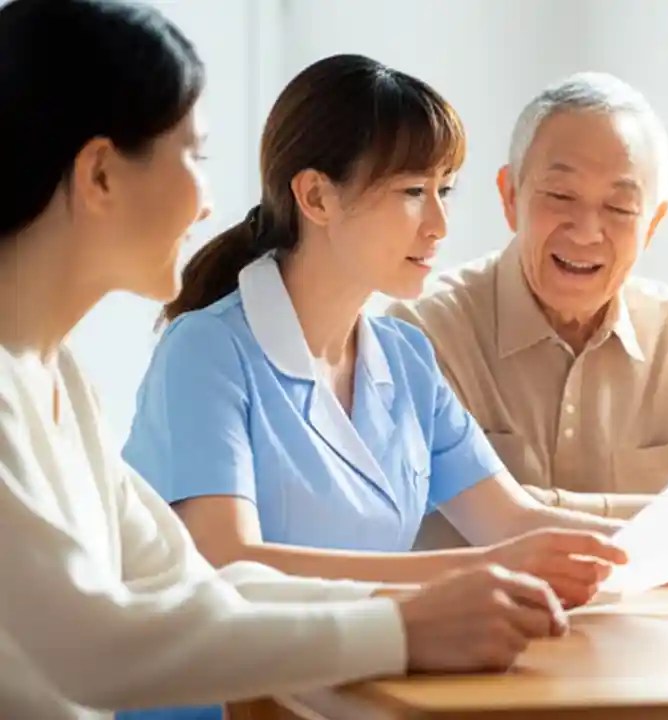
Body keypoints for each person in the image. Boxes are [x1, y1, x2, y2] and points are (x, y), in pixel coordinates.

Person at [0, 2, 593, 718]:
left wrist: (423, 608)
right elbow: (96, 646)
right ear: (99, 175)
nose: (207, 201)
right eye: (195, 156)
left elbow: (196, 586)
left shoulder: (61, 380)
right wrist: (402, 625)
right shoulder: (182, 353)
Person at [121, 53, 626, 626]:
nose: (438, 224)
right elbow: (228, 562)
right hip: (229, 704)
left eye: (446, 189)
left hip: (351, 686)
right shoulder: (206, 352)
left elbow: (515, 521)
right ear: (315, 197)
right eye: (413, 191)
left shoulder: (405, 360)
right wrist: (476, 570)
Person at [390, 72, 668, 580]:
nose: (587, 230)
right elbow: (433, 532)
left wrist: (543, 509)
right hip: (486, 644)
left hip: (662, 643)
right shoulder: (423, 332)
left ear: (653, 223)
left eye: (619, 207)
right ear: (510, 196)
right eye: (560, 196)